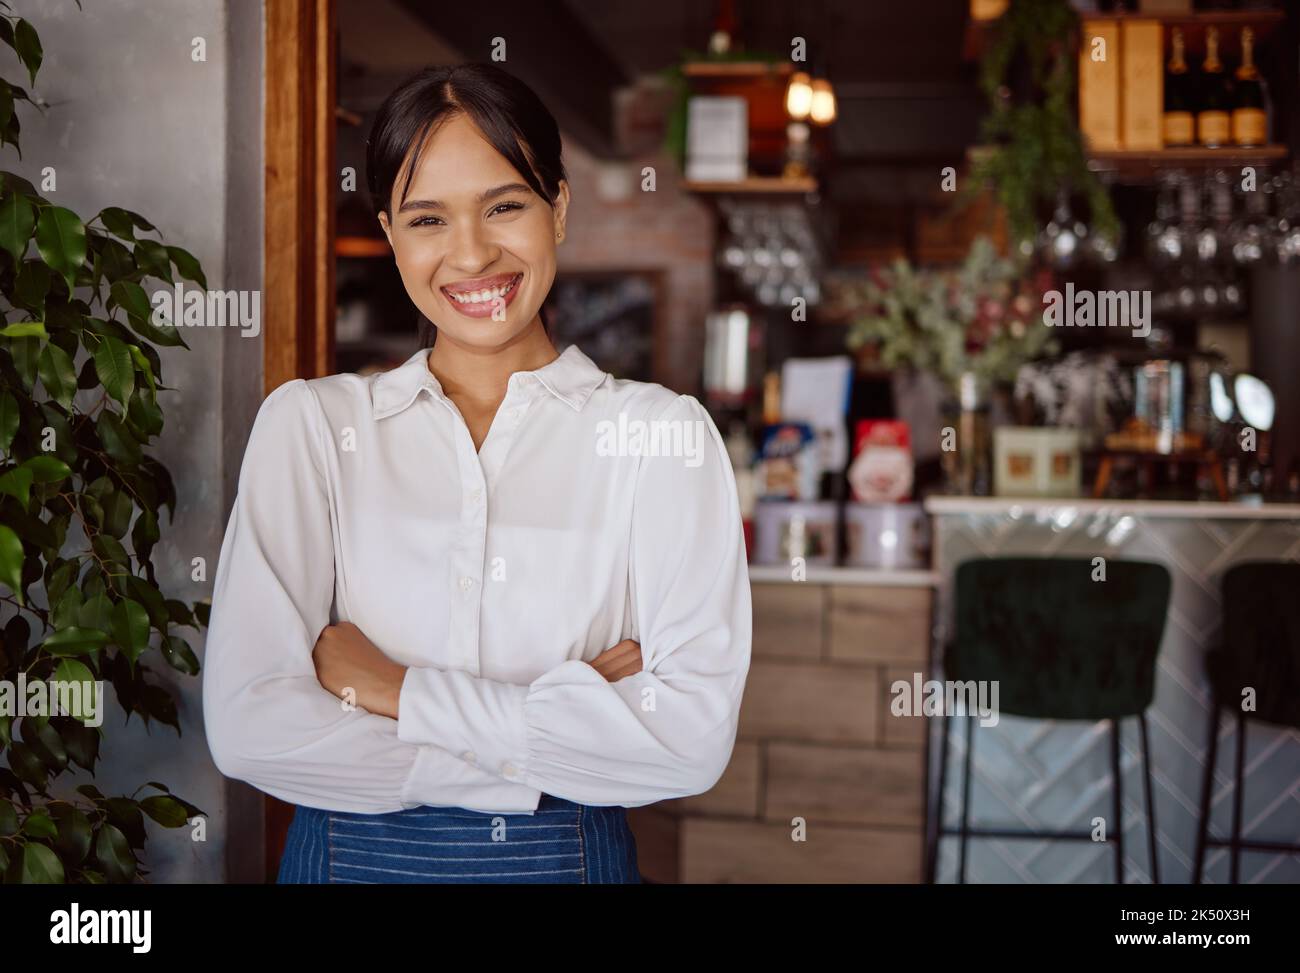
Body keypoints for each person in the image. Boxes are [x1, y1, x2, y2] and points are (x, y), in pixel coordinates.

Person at [201, 62, 752, 884]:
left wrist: (393, 690)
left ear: (557, 208)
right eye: (428, 218)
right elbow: (251, 728)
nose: (471, 253)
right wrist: (554, 714)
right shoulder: (312, 428)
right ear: (389, 234)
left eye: (504, 205)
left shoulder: (660, 438)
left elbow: (687, 744)